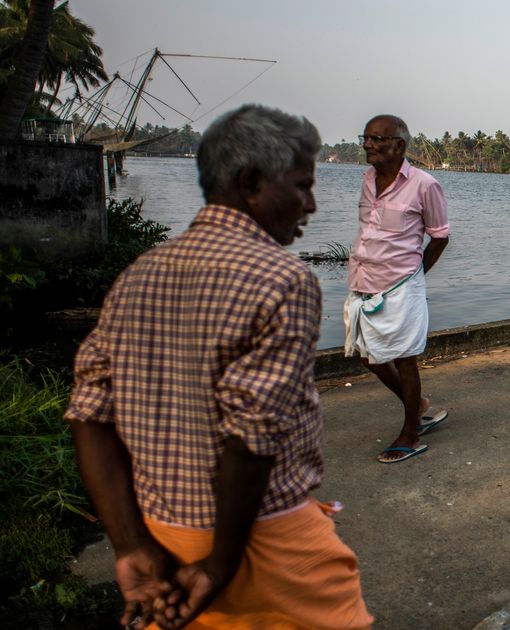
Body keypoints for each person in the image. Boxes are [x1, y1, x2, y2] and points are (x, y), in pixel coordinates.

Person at [66, 104, 372, 629]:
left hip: (161, 534)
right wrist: (220, 566)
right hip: (261, 539)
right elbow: (250, 439)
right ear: (252, 182)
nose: (311, 204)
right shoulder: (282, 280)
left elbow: (91, 413)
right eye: (302, 185)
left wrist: (130, 545)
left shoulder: (141, 273)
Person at [345, 114, 451, 464]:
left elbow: (439, 236)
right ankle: (416, 406)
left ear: (399, 145)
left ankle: (411, 432)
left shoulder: (424, 185)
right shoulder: (367, 178)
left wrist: (415, 274)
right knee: (367, 354)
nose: (368, 145)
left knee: (406, 360)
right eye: (366, 137)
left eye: (377, 139)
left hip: (401, 284)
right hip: (363, 281)